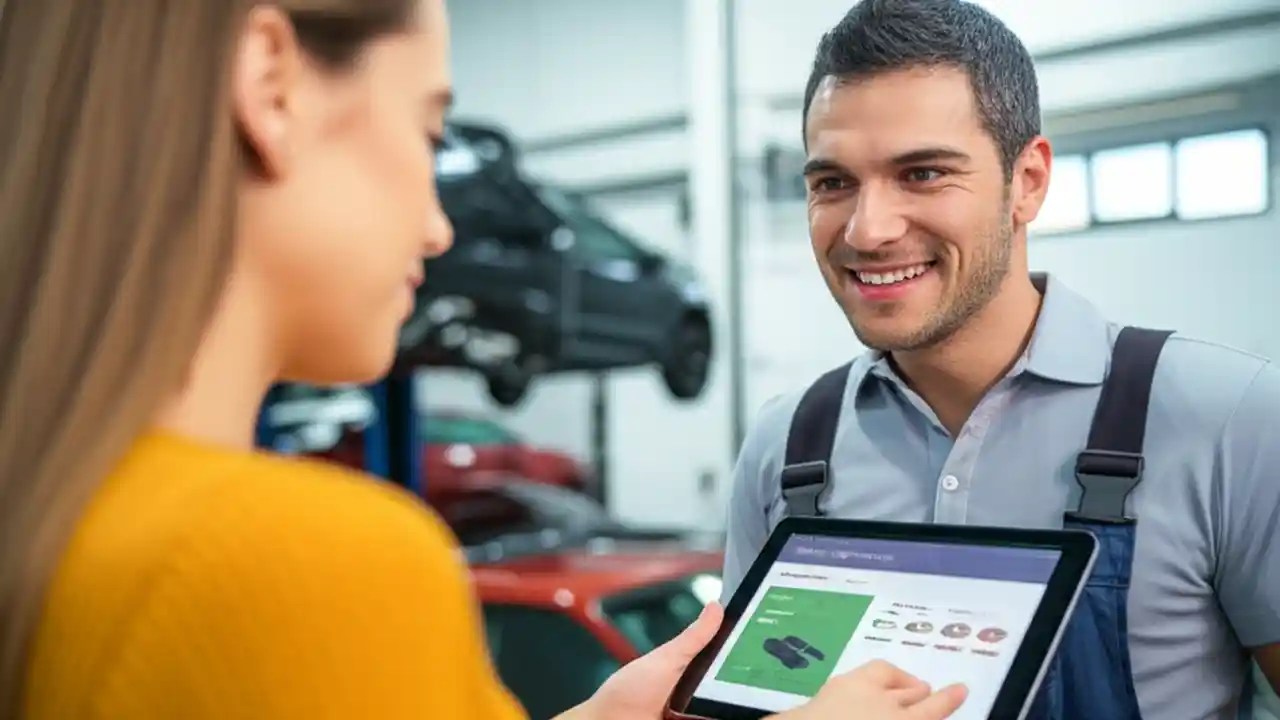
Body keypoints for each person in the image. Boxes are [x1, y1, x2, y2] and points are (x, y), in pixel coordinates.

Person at [0, 2, 970, 719]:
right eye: (427, 134)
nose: (434, 228)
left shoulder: (56, 511)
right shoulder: (314, 560)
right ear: (270, 88)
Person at [720, 0, 1280, 718]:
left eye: (922, 173)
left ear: (1029, 182)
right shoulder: (785, 447)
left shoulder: (1230, 419)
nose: (868, 229)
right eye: (833, 183)